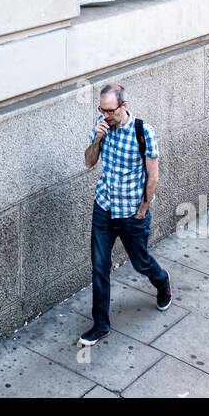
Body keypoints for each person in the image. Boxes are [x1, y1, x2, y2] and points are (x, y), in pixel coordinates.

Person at [78, 84, 170, 347]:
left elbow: (153, 176)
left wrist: (143, 208)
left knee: (140, 262)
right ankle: (101, 325)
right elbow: (88, 161)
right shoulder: (102, 126)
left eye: (110, 111)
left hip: (131, 212)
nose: (106, 115)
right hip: (104, 207)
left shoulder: (143, 132)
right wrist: (96, 138)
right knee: (99, 267)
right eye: (102, 110)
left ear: (123, 106)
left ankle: (162, 281)